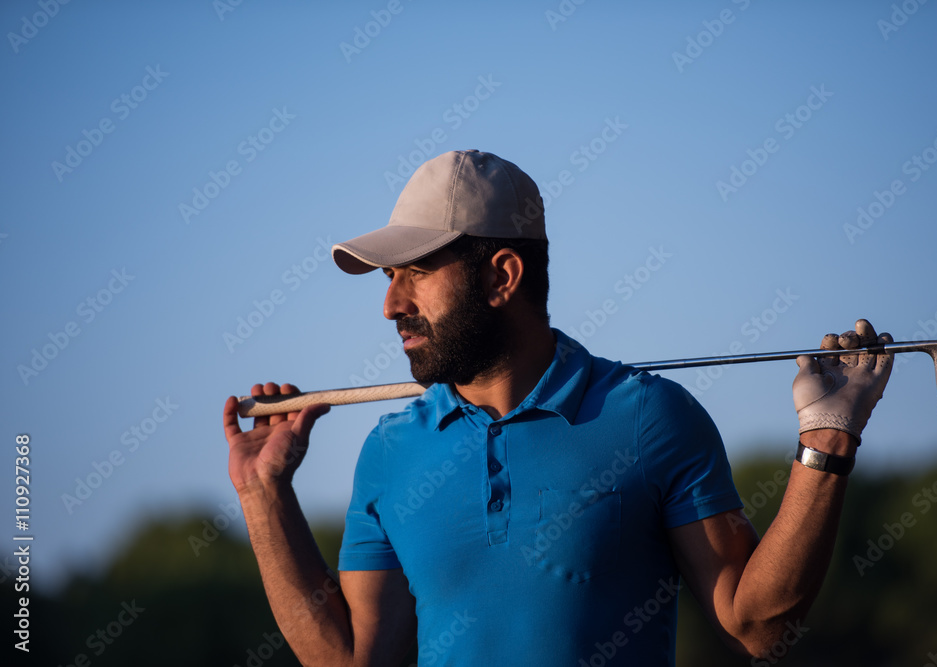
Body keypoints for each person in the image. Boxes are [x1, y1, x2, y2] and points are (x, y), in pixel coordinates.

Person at [223, 149, 894, 666]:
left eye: (416, 273)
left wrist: (827, 438)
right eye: (390, 277)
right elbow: (352, 659)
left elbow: (758, 628)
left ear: (501, 276)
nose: (391, 304)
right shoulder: (390, 451)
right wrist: (263, 493)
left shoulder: (651, 417)